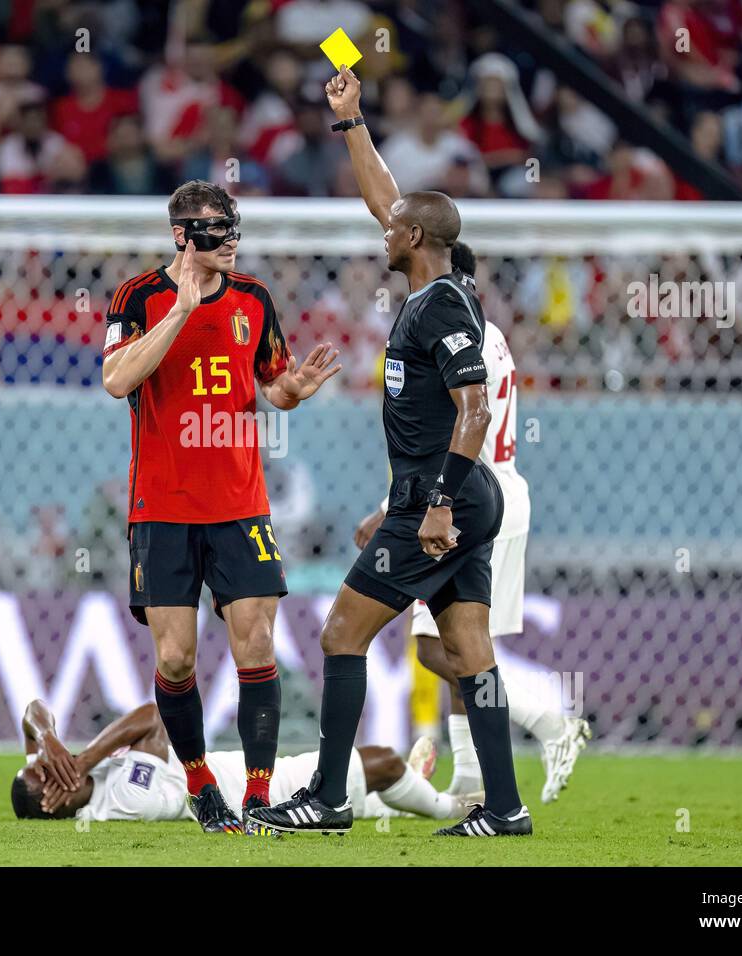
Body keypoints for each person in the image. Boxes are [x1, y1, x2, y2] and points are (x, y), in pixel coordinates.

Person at [249, 66, 529, 838]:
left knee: (342, 633)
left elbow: (472, 408)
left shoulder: (438, 308)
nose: (382, 227)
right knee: (470, 650)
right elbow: (387, 200)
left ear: (414, 239)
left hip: (441, 500)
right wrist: (352, 122)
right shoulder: (436, 287)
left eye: (393, 225)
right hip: (455, 500)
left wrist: (432, 505)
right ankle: (505, 809)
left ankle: (330, 799)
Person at [101, 179, 340, 834]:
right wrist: (177, 313)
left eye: (234, 227)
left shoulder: (255, 300)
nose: (231, 240)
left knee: (256, 642)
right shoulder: (138, 298)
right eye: (216, 230)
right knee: (175, 659)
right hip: (163, 507)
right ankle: (202, 783)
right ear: (183, 236)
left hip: (240, 504)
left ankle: (259, 796)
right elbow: (117, 378)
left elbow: (275, 384)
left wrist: (296, 388)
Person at [356, 241, 591, 817]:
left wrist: (392, 510)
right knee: (458, 643)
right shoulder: (489, 333)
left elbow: (449, 434)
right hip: (500, 490)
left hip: (470, 497)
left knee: (444, 649)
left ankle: (547, 718)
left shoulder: (447, 325)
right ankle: (468, 783)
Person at [13, 699, 458, 825]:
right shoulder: (129, 799)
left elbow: (32, 711)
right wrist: (85, 756)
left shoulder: (68, 774)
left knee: (366, 793)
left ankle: (397, 800)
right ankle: (447, 806)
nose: (53, 764)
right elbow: (154, 716)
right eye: (48, 773)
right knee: (380, 760)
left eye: (40, 762)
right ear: (54, 800)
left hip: (244, 769)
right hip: (264, 792)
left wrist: (46, 739)